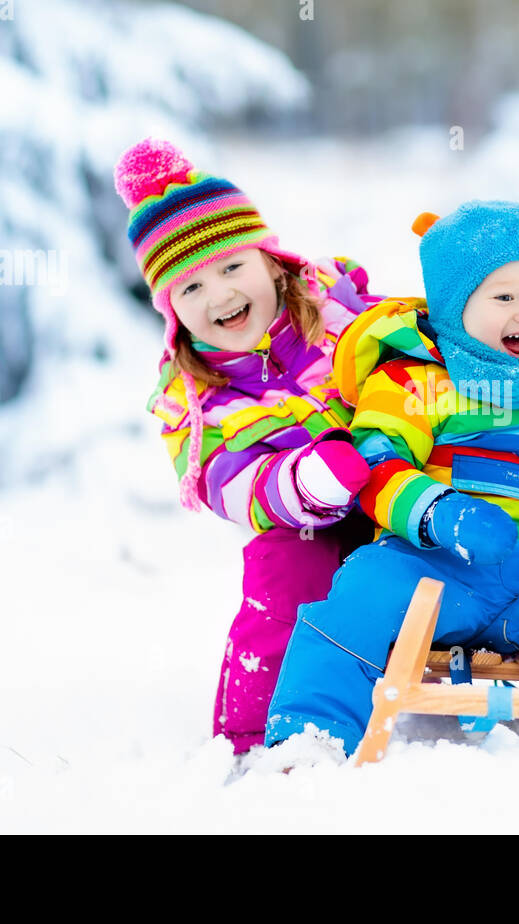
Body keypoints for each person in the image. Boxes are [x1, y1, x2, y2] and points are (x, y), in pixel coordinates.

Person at [263, 201, 519, 761]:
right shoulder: (413, 382)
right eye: (504, 297)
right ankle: (311, 733)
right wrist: (442, 514)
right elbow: (379, 464)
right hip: (429, 571)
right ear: (454, 305)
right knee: (360, 591)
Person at [115, 137, 379, 755]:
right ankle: (258, 735)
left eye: (232, 267)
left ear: (272, 262)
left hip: (407, 488)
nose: (219, 296)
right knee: (282, 566)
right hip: (313, 526)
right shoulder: (196, 400)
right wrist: (303, 484)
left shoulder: (342, 315)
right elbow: (225, 484)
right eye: (190, 287)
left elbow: (430, 364)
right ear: (172, 311)